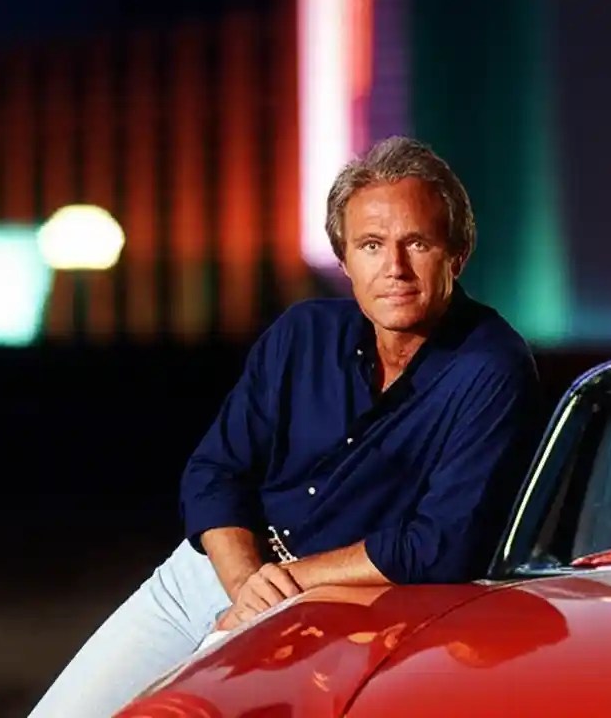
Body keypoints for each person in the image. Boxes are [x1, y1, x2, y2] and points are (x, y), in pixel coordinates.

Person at [27, 136, 542, 717]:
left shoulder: (493, 366)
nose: (393, 268)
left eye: (416, 243)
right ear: (345, 260)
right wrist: (248, 581)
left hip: (344, 606)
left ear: (458, 252)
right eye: (371, 245)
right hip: (216, 570)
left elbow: (438, 546)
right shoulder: (303, 333)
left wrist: (283, 586)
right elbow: (214, 473)